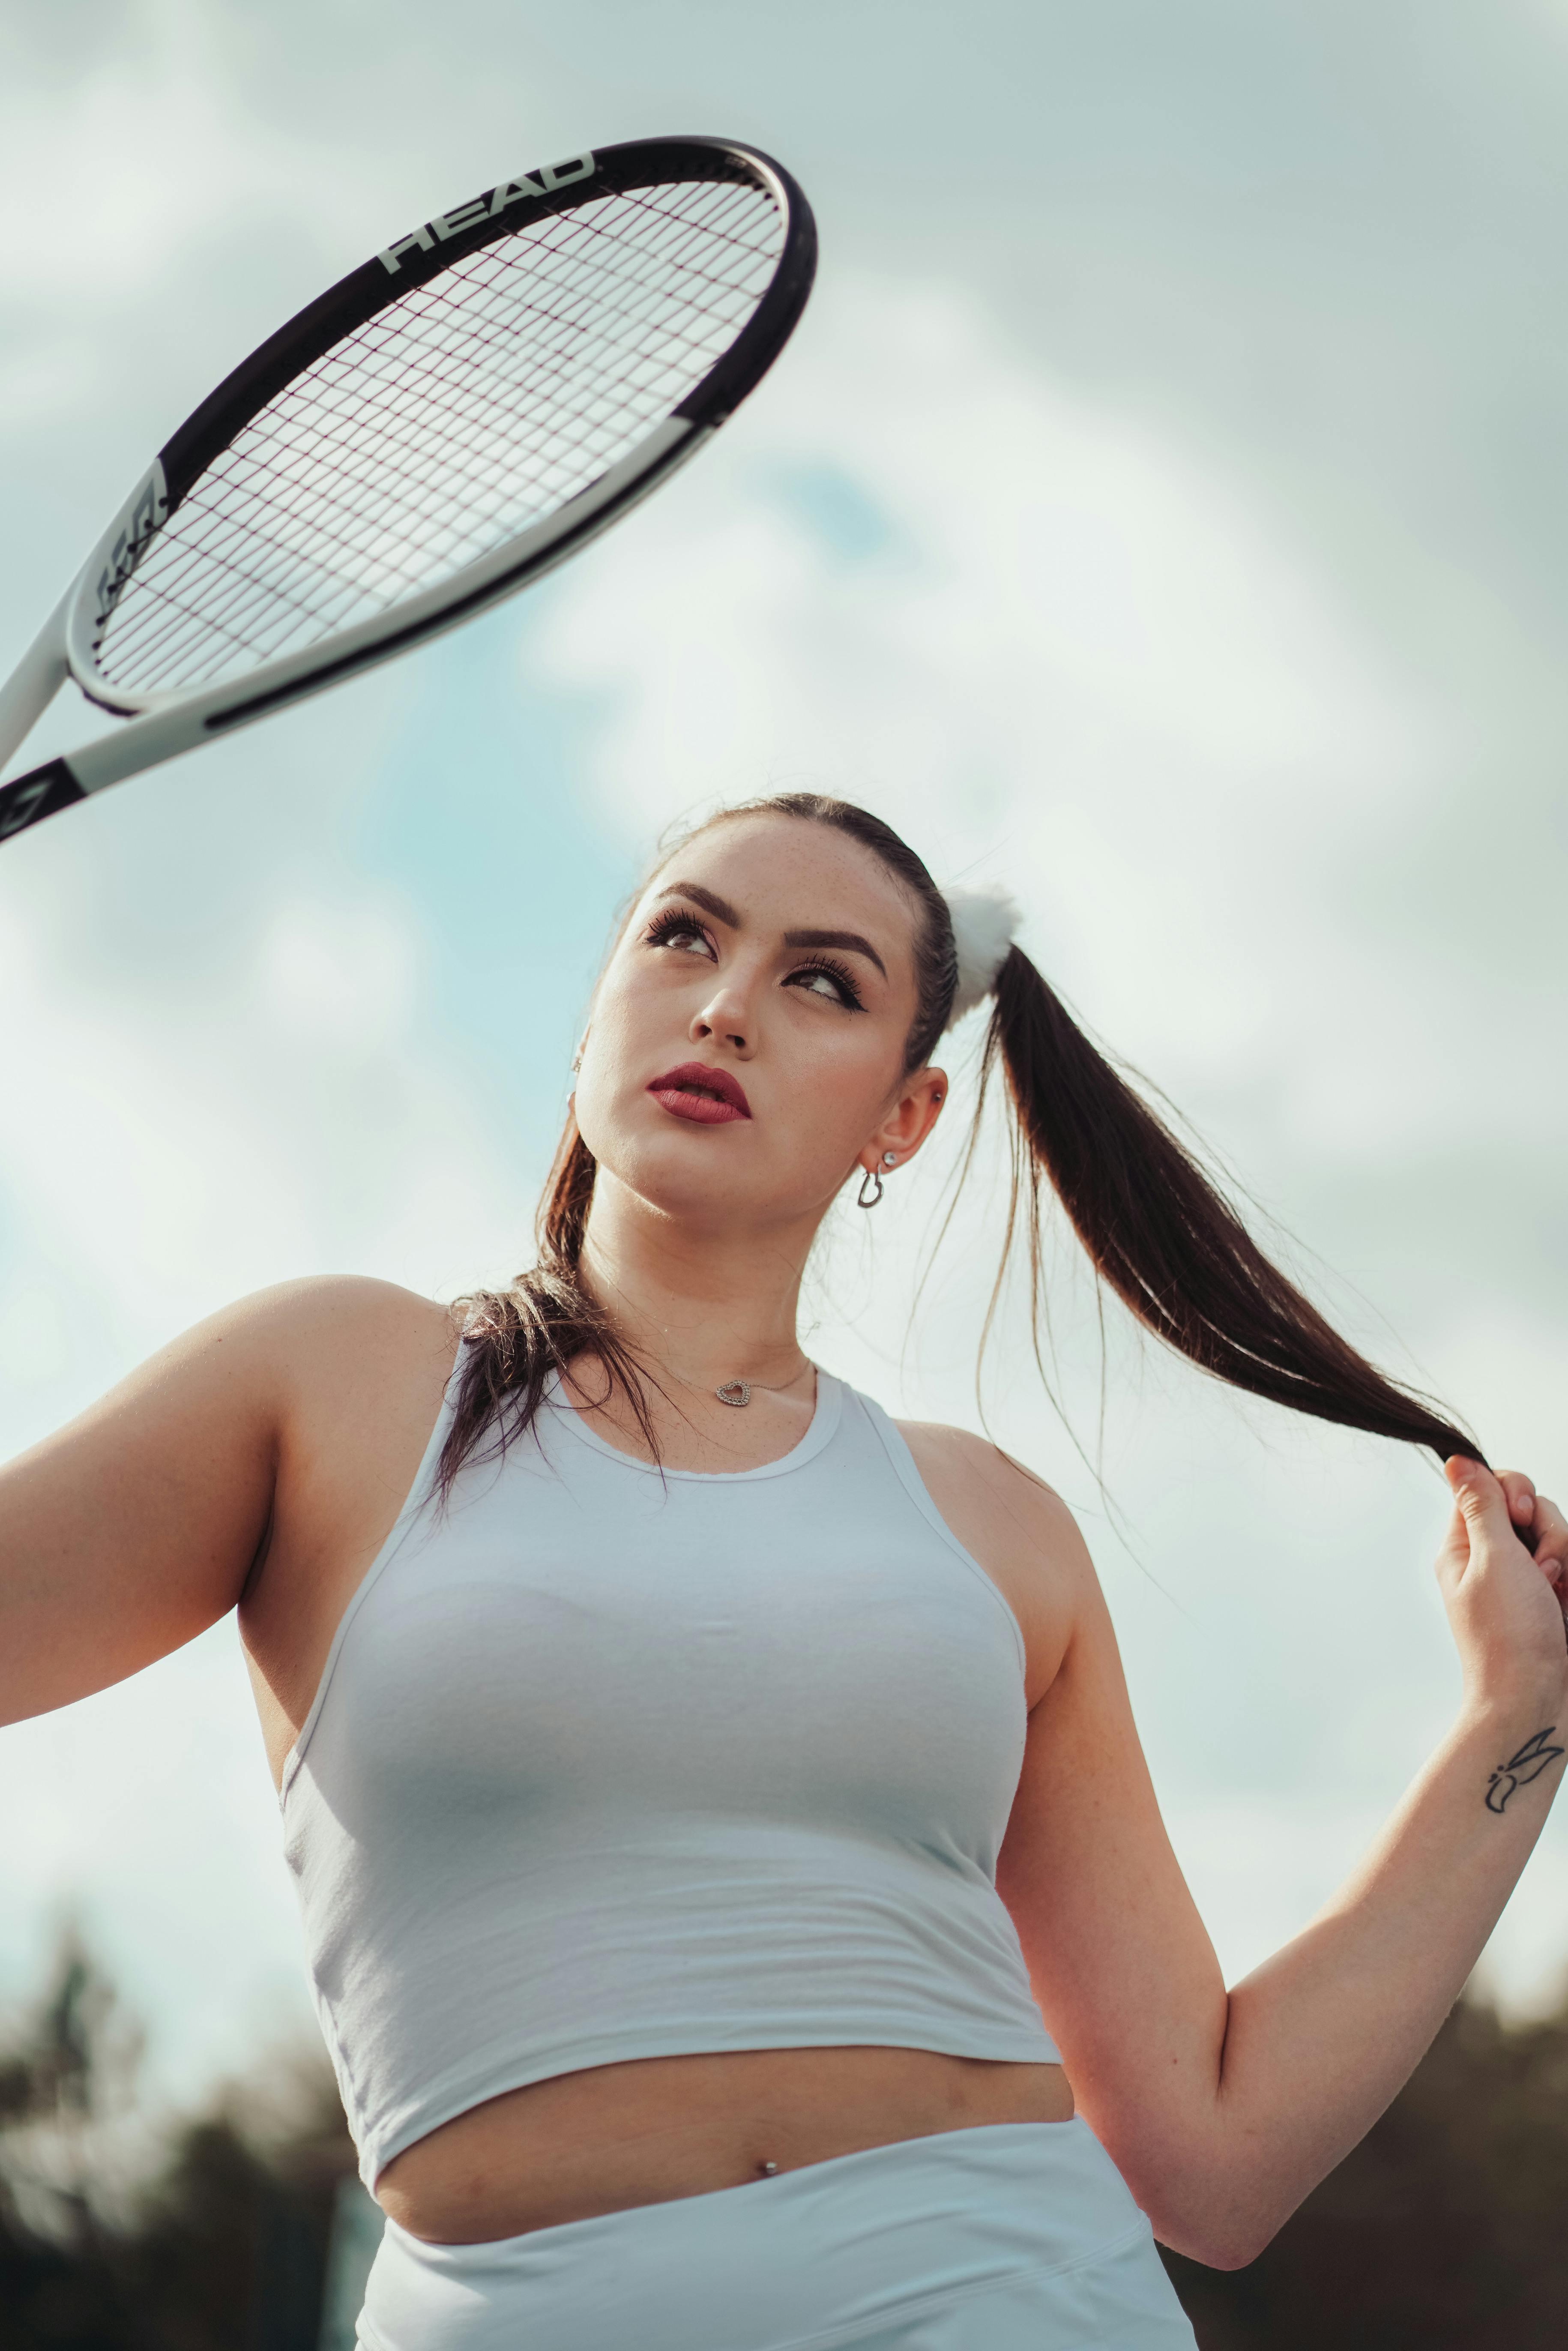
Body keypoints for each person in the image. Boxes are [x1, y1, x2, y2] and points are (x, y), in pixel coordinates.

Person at [2, 792, 1563, 2351]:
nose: (728, 1004)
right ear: (592, 1017)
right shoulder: (329, 1381)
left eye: (824, 981)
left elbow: (1213, 2164)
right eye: (682, 934)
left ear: (904, 1117)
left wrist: (1518, 1719)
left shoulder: (991, 1524)